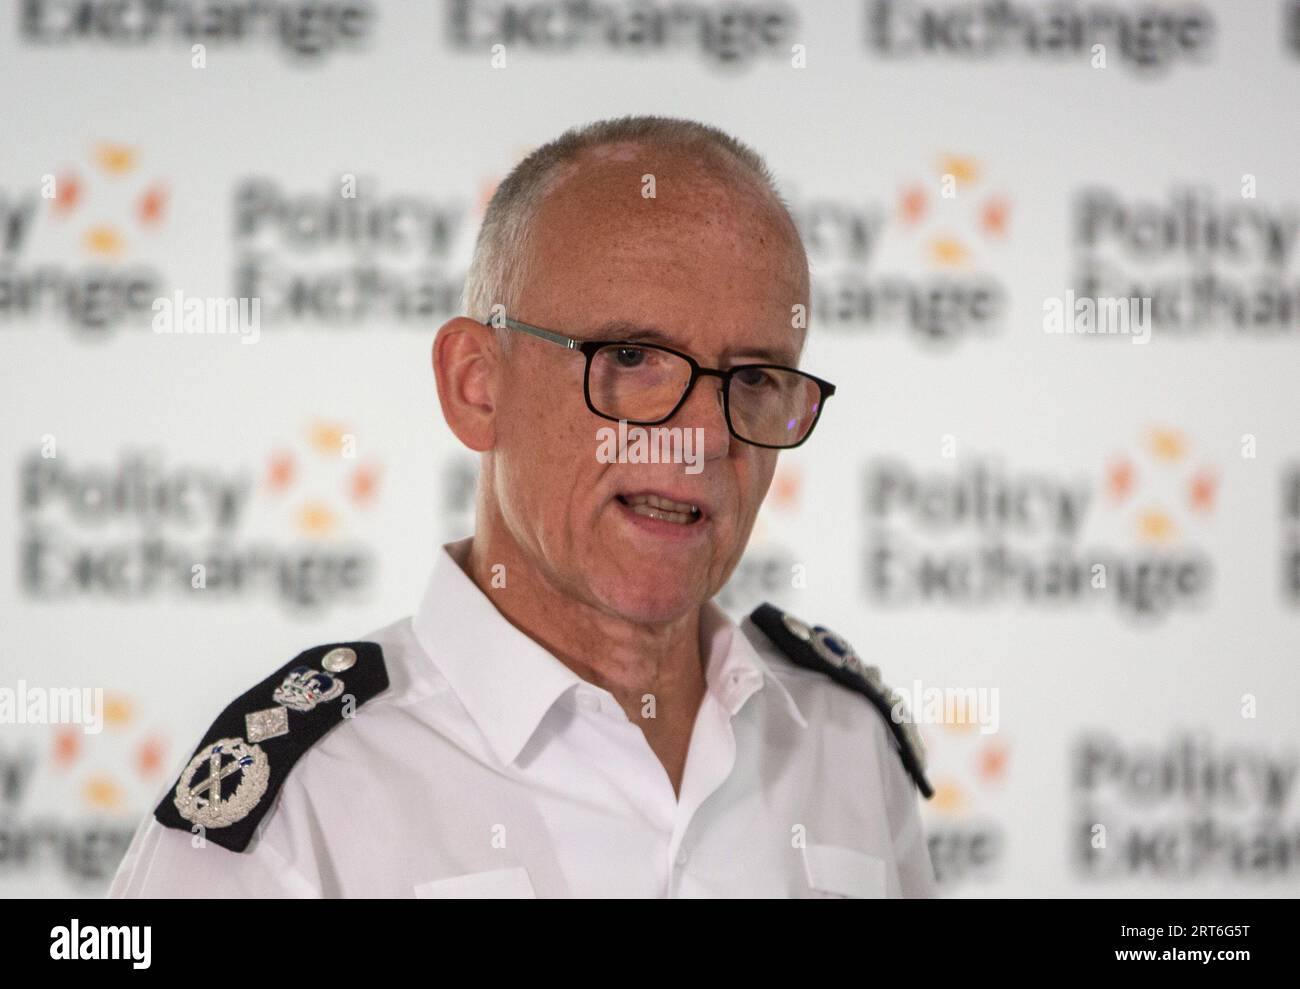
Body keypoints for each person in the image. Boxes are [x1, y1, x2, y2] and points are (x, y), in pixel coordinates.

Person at [109, 114, 937, 898]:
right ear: (477, 385)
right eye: (632, 357)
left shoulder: (846, 745)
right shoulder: (300, 804)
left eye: (755, 377)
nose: (701, 438)